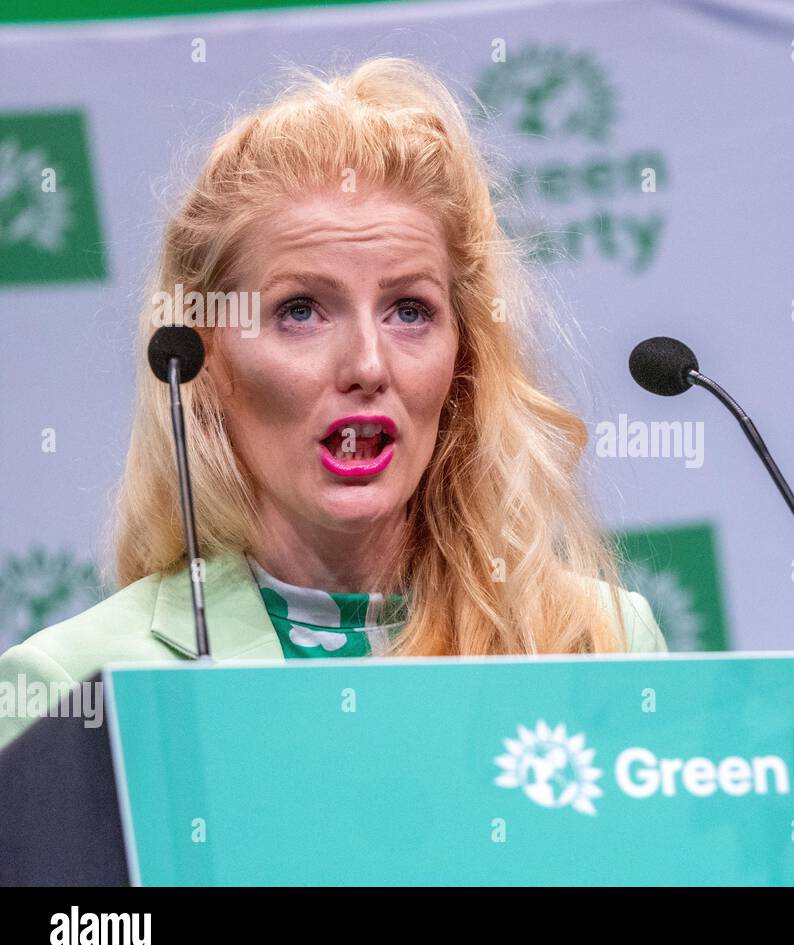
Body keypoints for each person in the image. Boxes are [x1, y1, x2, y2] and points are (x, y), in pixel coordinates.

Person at [0, 57, 666, 752]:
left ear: (463, 354)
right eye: (300, 312)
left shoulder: (596, 646)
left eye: (410, 311)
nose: (368, 366)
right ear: (203, 359)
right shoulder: (76, 688)